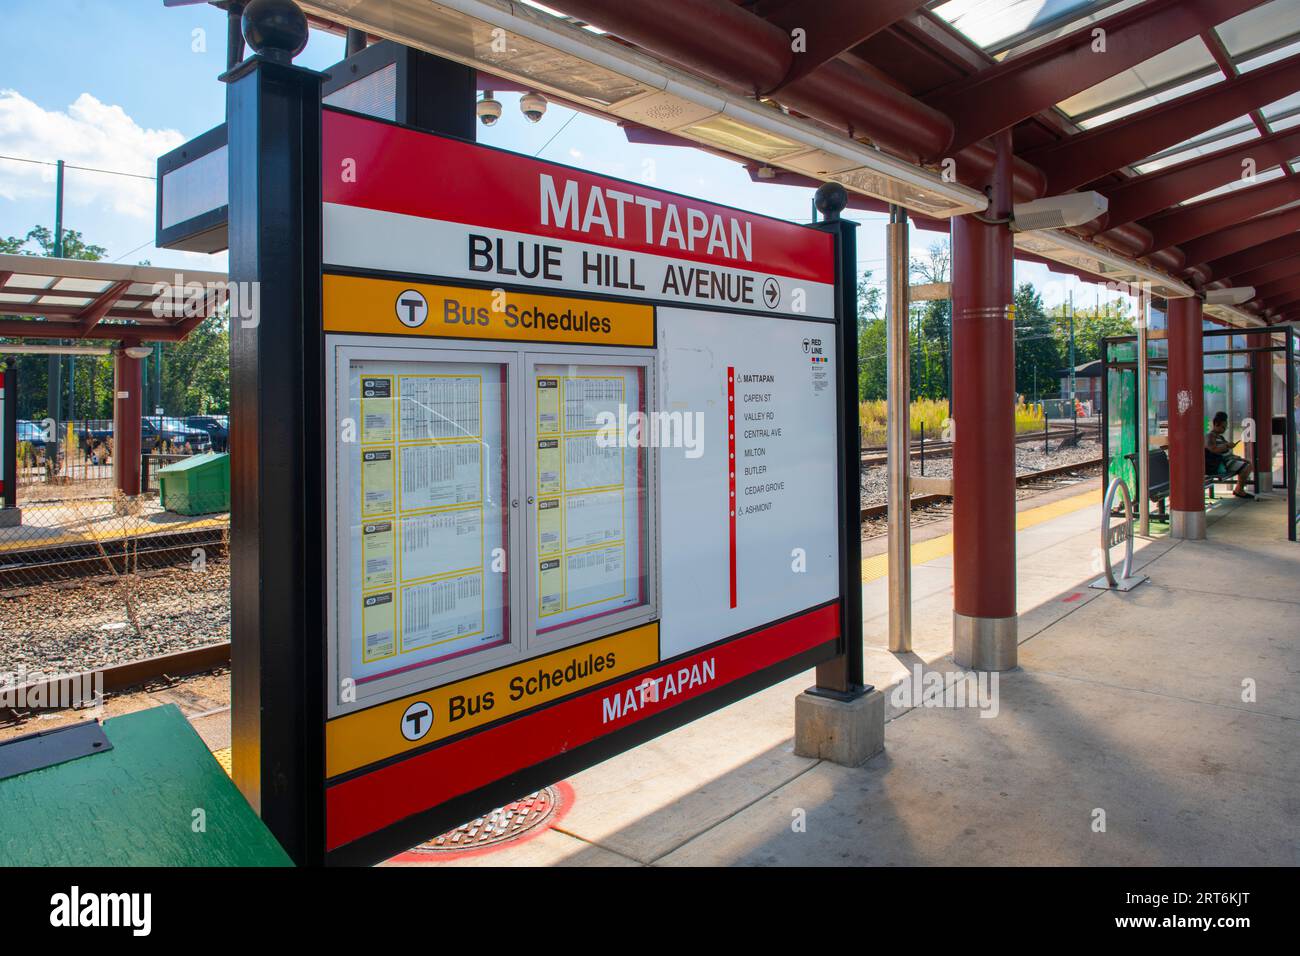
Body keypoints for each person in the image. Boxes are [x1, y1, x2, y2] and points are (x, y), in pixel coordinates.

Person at [1205, 411, 1253, 499]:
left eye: (1225, 427)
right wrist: (1227, 445)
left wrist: (1239, 458)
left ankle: (1239, 488)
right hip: (1220, 462)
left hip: (1226, 460)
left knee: (1248, 463)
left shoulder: (1220, 437)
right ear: (1216, 424)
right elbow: (1213, 450)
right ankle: (1239, 490)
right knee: (1246, 467)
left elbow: (1227, 453)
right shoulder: (1210, 436)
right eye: (1223, 427)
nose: (1224, 429)